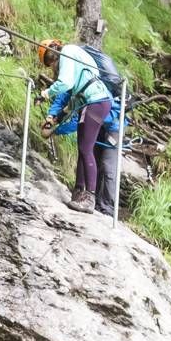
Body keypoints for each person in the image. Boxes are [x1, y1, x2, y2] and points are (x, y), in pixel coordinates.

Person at [37, 35, 121, 215]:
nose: (51, 66)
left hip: (97, 103)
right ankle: (78, 192)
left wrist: (44, 94)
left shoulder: (68, 52)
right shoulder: (76, 61)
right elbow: (72, 101)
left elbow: (64, 83)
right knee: (82, 148)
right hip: (94, 102)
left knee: (86, 148)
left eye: (49, 61)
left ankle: (89, 198)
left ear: (53, 54)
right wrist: (56, 119)